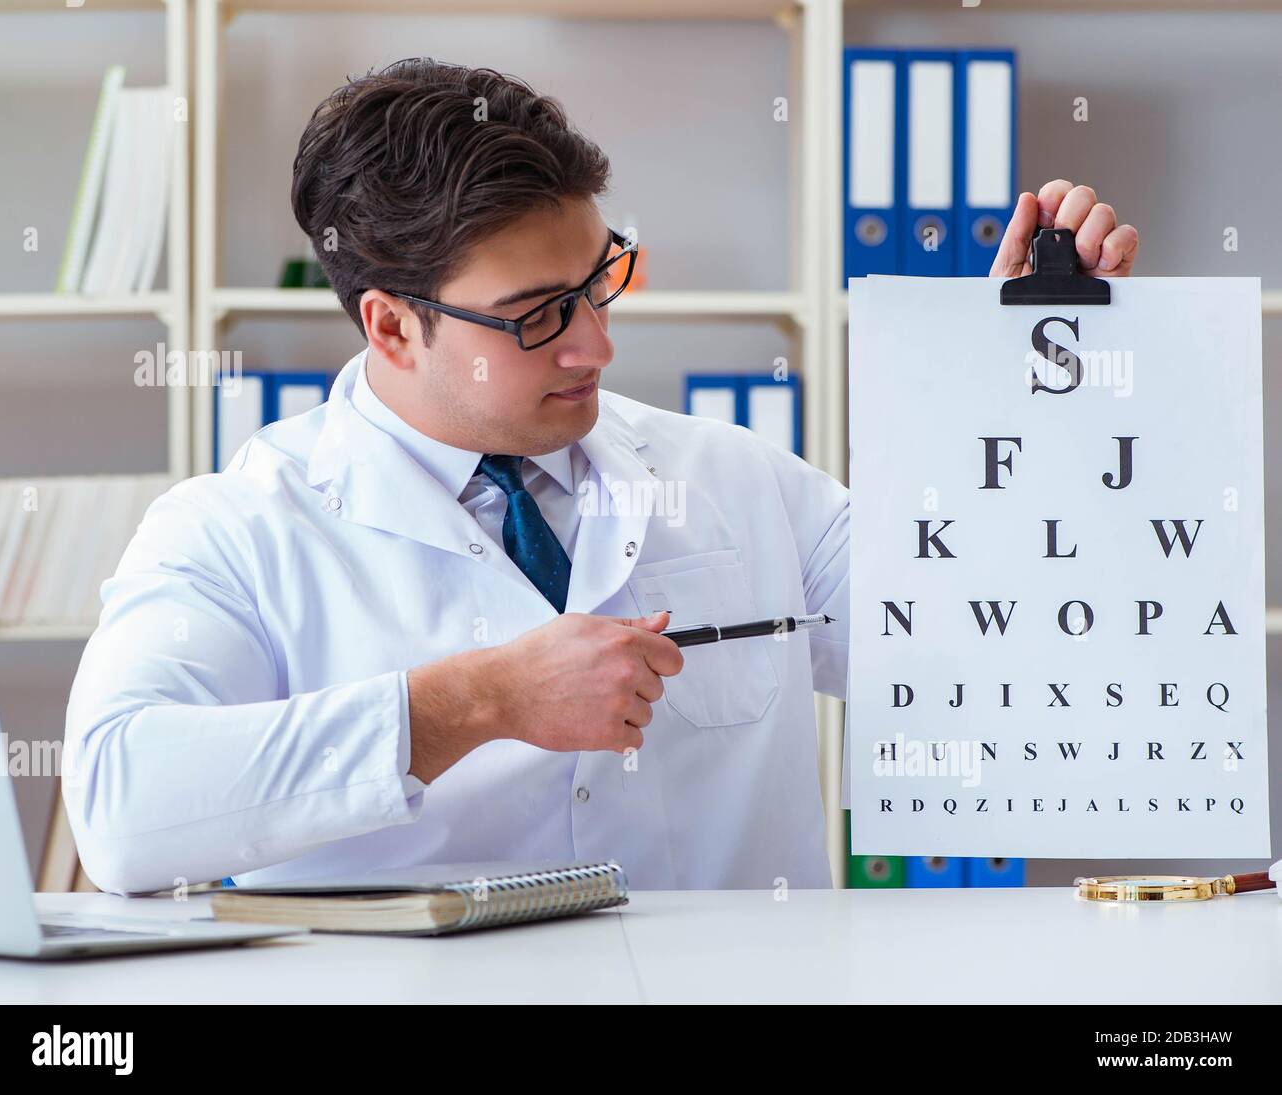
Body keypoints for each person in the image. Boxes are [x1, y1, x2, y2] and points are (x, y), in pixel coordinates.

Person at [63, 58, 1139, 895]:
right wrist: (476, 700)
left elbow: (984, 640)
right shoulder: (234, 528)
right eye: (536, 317)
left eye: (598, 283)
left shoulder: (734, 478)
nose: (594, 349)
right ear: (391, 325)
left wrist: (1018, 387)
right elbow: (121, 812)